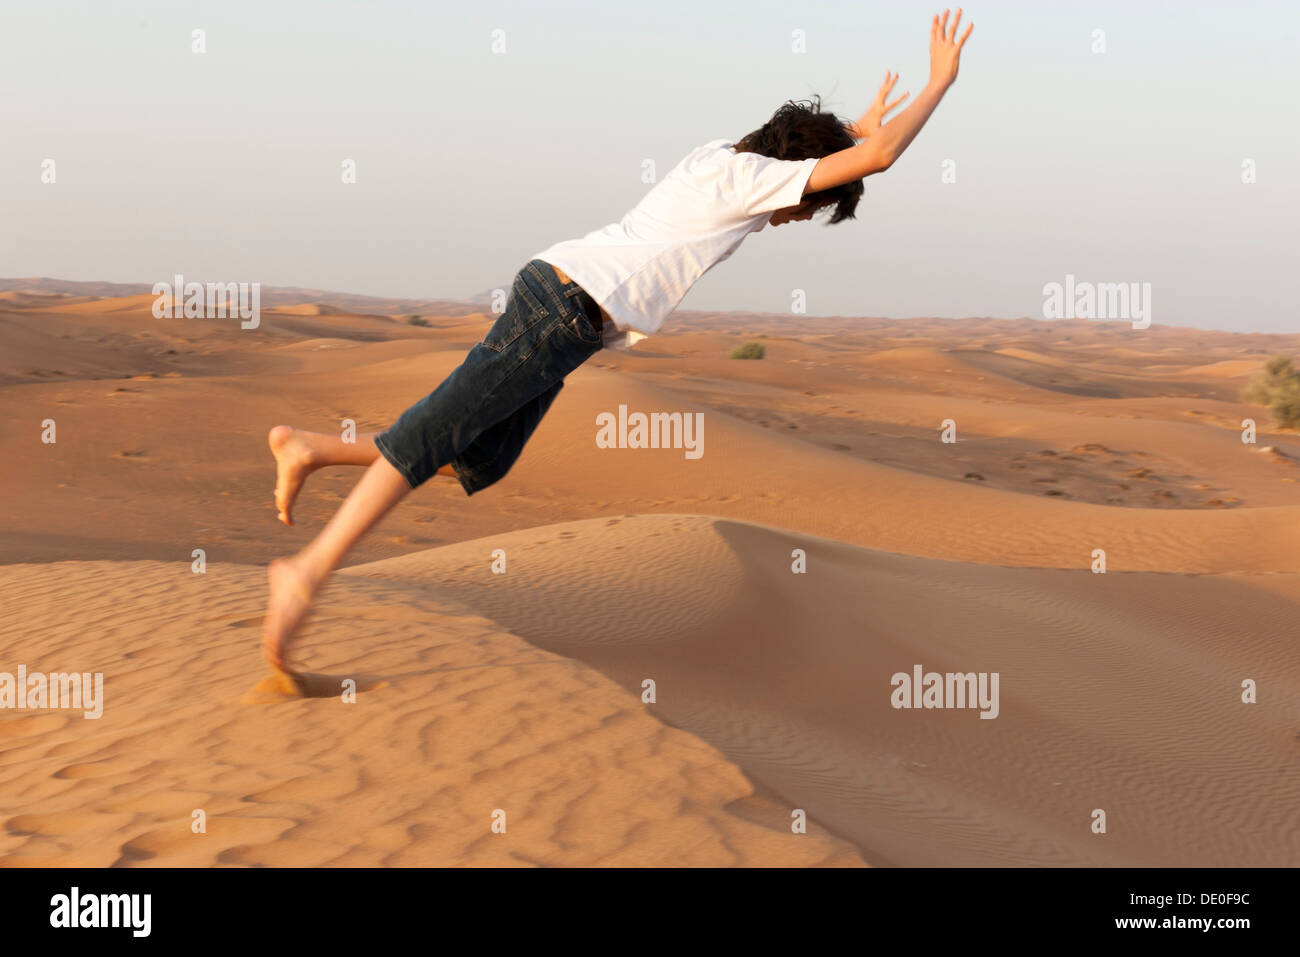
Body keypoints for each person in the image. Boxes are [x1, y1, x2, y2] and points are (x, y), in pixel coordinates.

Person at [261, 9, 974, 672]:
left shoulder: (722, 156)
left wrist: (851, 129)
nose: (794, 219)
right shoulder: (754, 181)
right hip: (566, 307)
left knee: (479, 458)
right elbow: (877, 158)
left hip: (566, 306)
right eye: (807, 207)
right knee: (433, 436)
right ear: (796, 178)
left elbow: (838, 150)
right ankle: (309, 571)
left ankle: (314, 447)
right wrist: (938, 85)